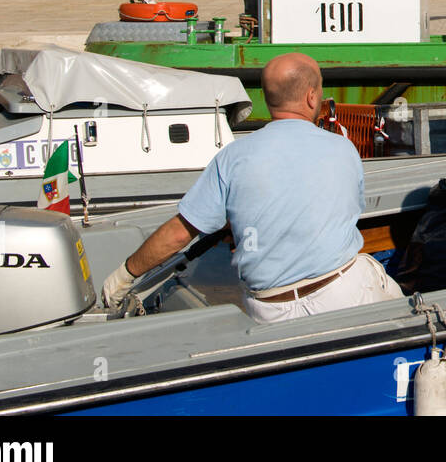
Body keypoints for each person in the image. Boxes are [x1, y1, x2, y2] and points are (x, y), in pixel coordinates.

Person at [102, 52, 404, 322]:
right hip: (340, 294)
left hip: (270, 308)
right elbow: (344, 209)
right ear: (312, 97)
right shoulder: (343, 149)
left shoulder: (232, 158)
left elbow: (179, 234)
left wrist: (124, 275)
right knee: (391, 292)